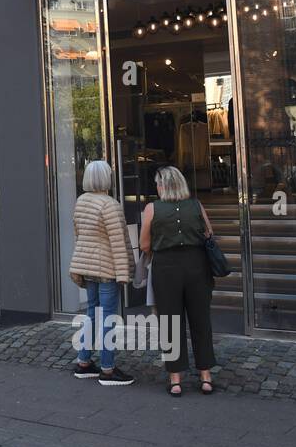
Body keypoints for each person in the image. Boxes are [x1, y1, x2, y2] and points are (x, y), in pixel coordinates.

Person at [140, 166, 217, 396]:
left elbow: (144, 244)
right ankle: (205, 376)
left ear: (163, 186)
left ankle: (176, 379)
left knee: (171, 322)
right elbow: (209, 234)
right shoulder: (196, 205)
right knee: (201, 320)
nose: (156, 187)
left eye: (157, 184)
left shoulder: (152, 209)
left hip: (166, 268)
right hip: (196, 265)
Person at [67, 160, 135, 386]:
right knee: (108, 317)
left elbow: (79, 235)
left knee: (91, 313)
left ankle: (84, 362)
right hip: (106, 268)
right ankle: (107, 368)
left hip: (86, 266)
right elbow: (119, 242)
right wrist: (126, 272)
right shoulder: (110, 205)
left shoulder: (81, 201)